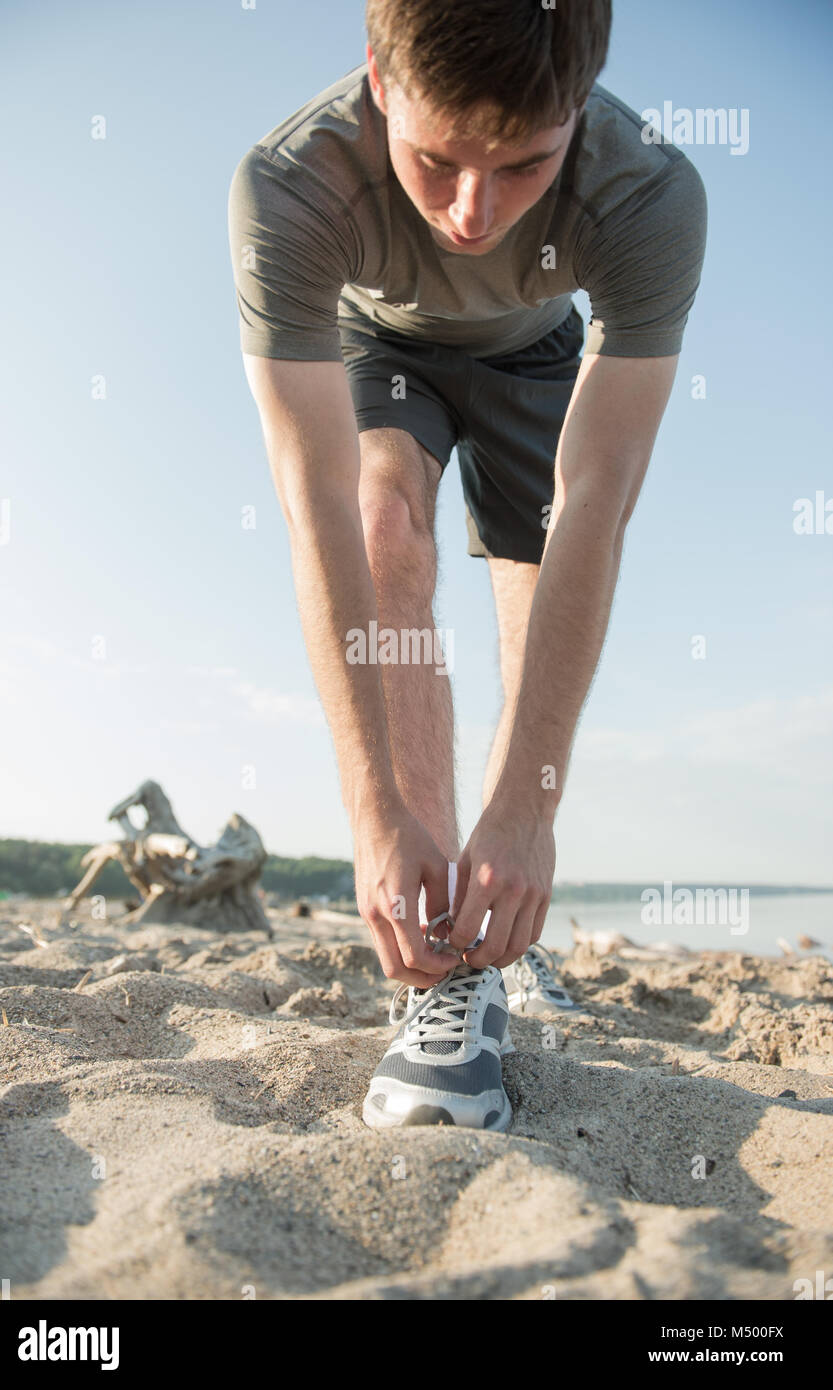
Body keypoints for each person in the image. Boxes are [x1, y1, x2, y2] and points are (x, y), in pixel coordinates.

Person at [227, 0, 706, 1130]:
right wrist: (372, 805)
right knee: (385, 518)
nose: (472, 212)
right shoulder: (291, 188)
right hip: (379, 341)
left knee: (533, 574)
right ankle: (447, 966)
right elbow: (314, 510)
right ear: (379, 84)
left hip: (539, 348)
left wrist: (529, 806)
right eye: (437, 162)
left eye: (525, 164)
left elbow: (599, 500)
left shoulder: (648, 195)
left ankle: (500, 906)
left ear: (577, 113)